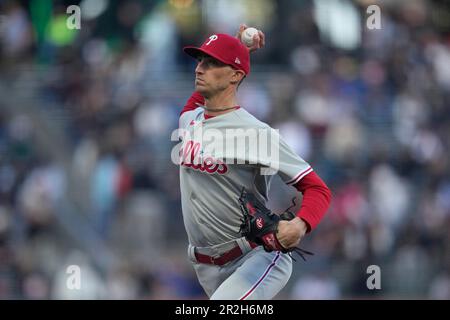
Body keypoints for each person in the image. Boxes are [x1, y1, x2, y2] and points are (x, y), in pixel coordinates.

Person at [177, 24, 332, 300]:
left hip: (254, 258)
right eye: (201, 60)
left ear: (235, 75)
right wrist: (238, 50)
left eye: (212, 63)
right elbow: (195, 104)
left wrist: (299, 225)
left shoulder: (255, 133)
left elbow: (318, 189)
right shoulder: (190, 120)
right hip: (205, 265)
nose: (200, 68)